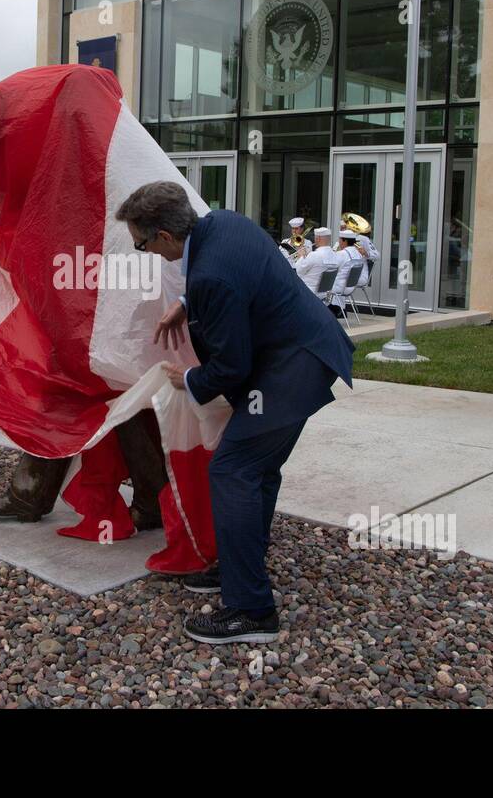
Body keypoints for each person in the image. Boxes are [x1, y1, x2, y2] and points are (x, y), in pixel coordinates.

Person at [118, 180, 354, 644]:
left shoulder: (210, 277)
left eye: (141, 243)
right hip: (304, 353)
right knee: (257, 470)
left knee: (233, 471)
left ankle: (250, 610)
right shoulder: (224, 222)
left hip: (291, 369)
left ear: (165, 236)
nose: (142, 250)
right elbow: (241, 272)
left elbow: (231, 366)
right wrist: (187, 305)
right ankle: (240, 565)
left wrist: (185, 381)